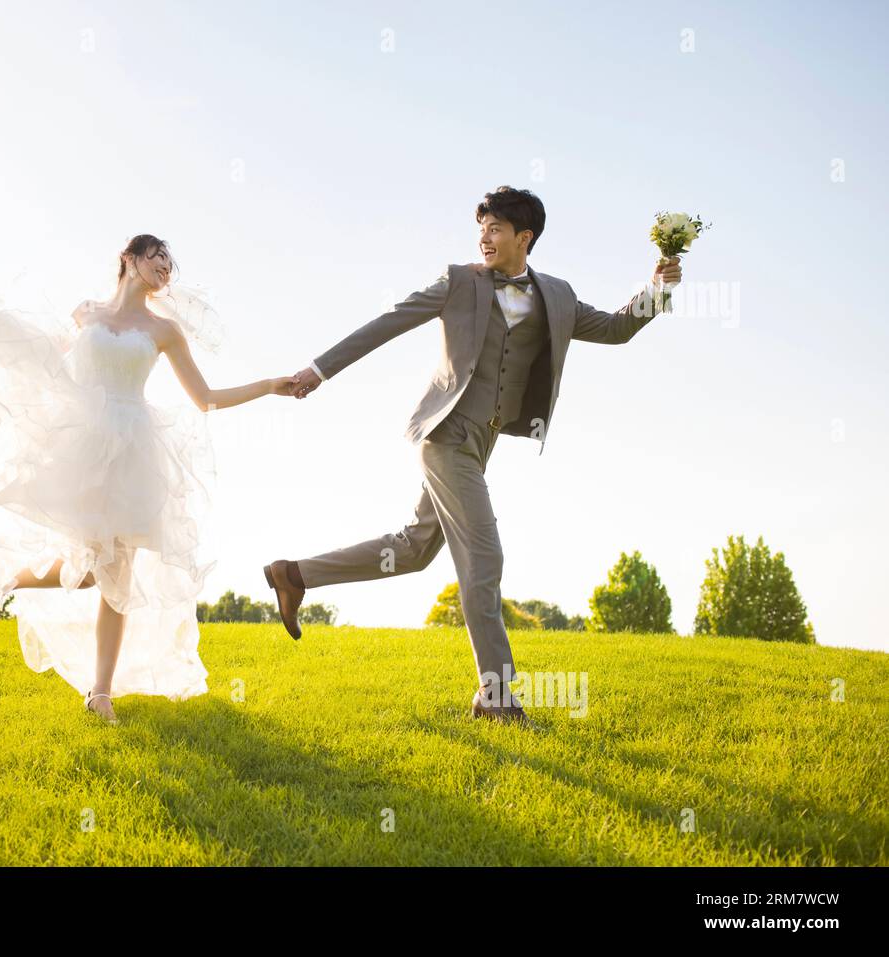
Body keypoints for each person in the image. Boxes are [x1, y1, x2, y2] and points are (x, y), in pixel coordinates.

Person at [262, 185, 683, 728]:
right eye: (480, 227)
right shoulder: (459, 282)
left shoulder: (556, 296)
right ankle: (498, 698)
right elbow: (388, 322)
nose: (484, 237)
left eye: (495, 229)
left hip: (480, 445)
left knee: (412, 550)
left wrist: (657, 288)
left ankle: (294, 575)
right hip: (443, 436)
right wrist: (317, 372)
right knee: (485, 561)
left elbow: (616, 329)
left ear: (523, 238)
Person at [0, 188, 296, 724]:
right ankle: (5, 580)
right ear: (129, 257)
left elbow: (206, 399)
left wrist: (272, 385)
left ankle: (99, 692)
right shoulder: (85, 313)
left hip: (135, 449)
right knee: (88, 571)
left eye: (170, 268)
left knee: (116, 574)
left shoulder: (164, 331)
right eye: (157, 259)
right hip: (82, 440)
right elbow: (45, 363)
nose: (164, 272)